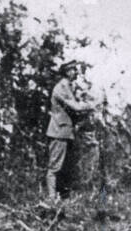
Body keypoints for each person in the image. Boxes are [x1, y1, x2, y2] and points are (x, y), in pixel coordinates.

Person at [45, 61, 93, 200]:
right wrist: (92, 104)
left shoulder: (69, 87)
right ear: (67, 72)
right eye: (73, 70)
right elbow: (76, 107)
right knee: (55, 166)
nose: (76, 72)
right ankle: (52, 198)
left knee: (65, 166)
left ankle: (62, 197)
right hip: (59, 131)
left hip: (66, 131)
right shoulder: (61, 87)